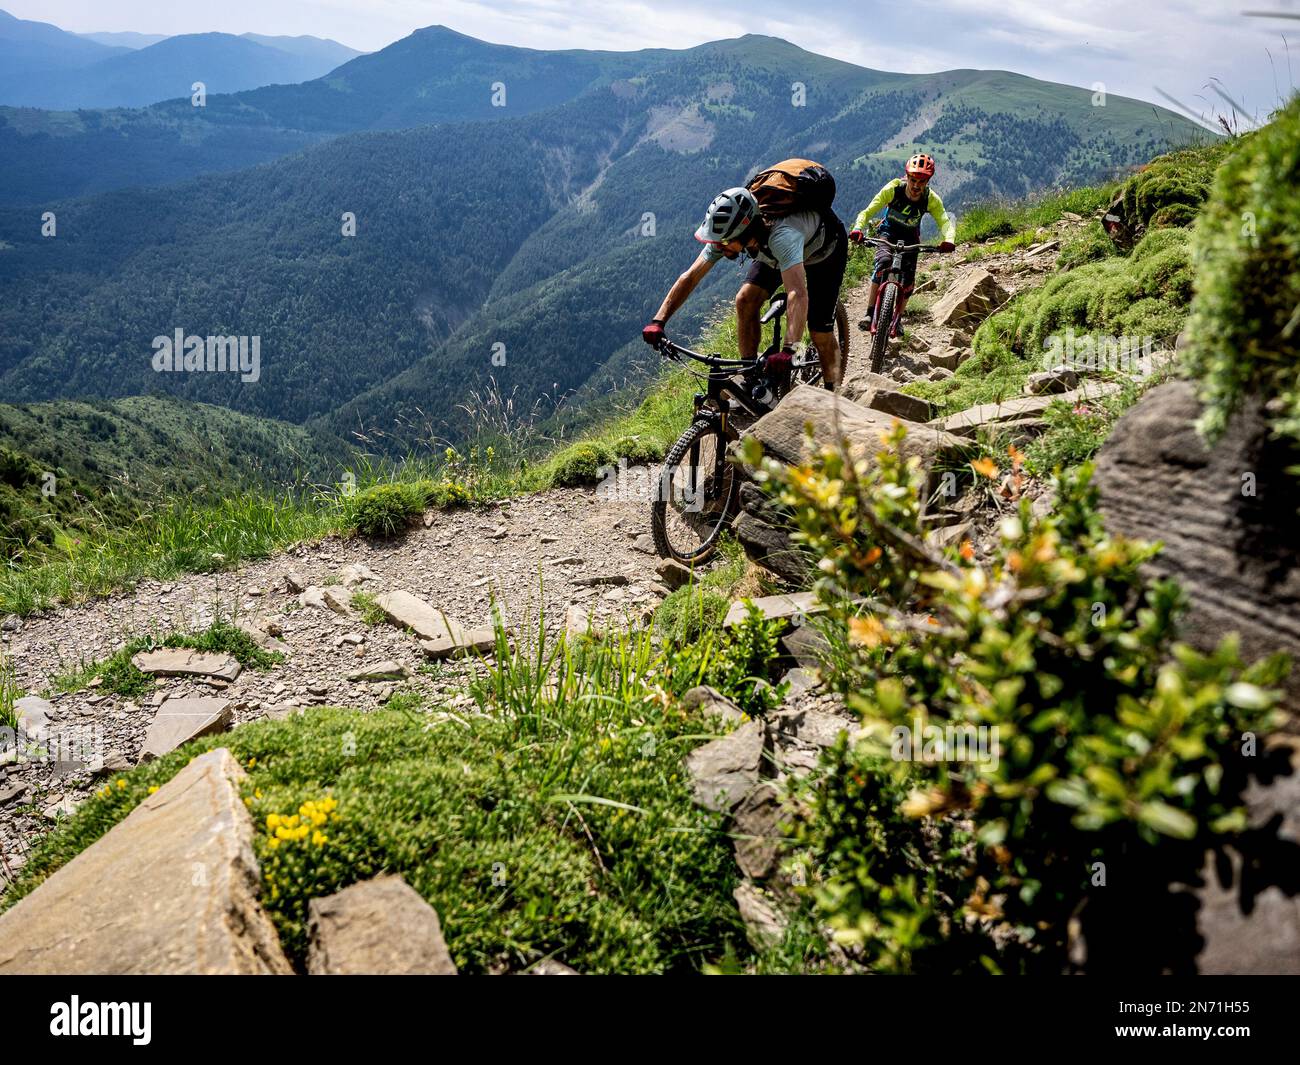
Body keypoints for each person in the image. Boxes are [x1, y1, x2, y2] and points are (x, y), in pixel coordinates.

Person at [641, 176, 848, 390]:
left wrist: (789, 350)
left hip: (824, 253)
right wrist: (659, 320)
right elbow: (691, 276)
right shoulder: (726, 237)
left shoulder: (782, 237)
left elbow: (797, 292)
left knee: (819, 333)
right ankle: (751, 375)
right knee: (745, 300)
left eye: (723, 242)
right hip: (774, 255)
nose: (718, 247)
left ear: (744, 232)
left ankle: (835, 394)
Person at [850, 153, 957, 338]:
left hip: (911, 238)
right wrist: (858, 228)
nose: (916, 185)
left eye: (921, 181)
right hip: (888, 232)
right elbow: (867, 212)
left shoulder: (930, 199)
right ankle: (869, 314)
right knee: (883, 263)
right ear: (907, 176)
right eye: (913, 179)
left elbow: (945, 222)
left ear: (928, 181)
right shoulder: (893, 189)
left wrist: (949, 240)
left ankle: (897, 319)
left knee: (908, 282)